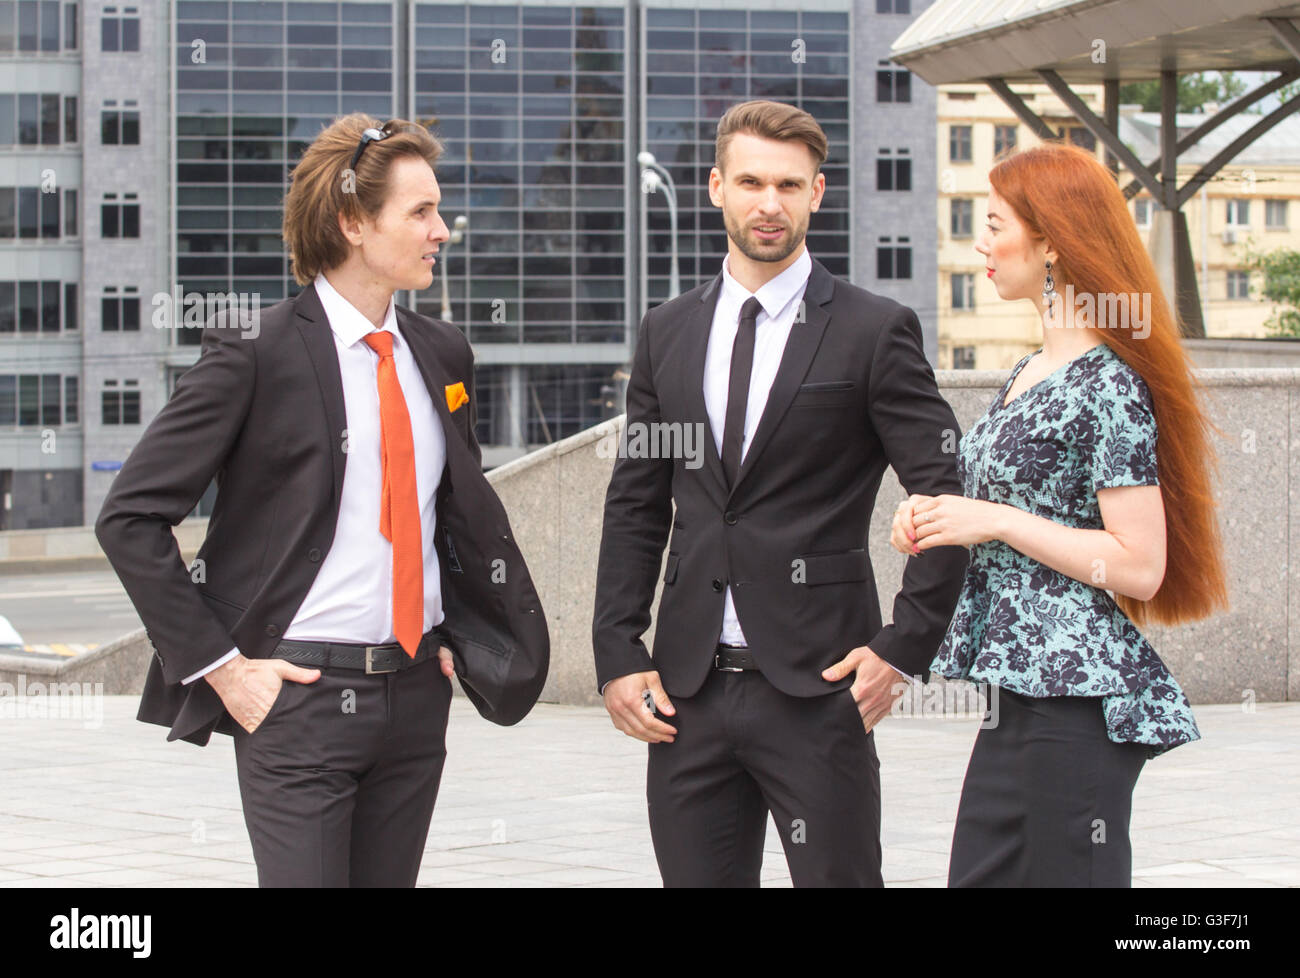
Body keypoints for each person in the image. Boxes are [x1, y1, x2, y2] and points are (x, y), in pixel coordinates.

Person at [95, 114, 549, 887]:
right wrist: (225, 671)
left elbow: (452, 518)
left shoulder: (442, 353)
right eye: (421, 213)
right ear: (350, 221)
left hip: (415, 696)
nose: (442, 230)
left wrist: (454, 634)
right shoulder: (254, 352)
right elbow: (129, 518)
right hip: (297, 703)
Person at [592, 100, 970, 887]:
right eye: (753, 182)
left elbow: (944, 491)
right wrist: (617, 653)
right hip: (686, 693)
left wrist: (903, 648)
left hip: (819, 690)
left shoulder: (874, 330)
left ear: (818, 193)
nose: (771, 203)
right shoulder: (667, 331)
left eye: (790, 185)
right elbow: (636, 501)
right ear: (716, 187)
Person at [895, 142, 1229, 887]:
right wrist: (936, 513)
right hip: (1015, 697)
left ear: (1050, 241)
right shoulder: (1029, 371)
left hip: (1075, 704)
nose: (979, 243)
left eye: (992, 224)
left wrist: (998, 521)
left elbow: (1139, 565)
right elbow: (1011, 503)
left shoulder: (1109, 385)